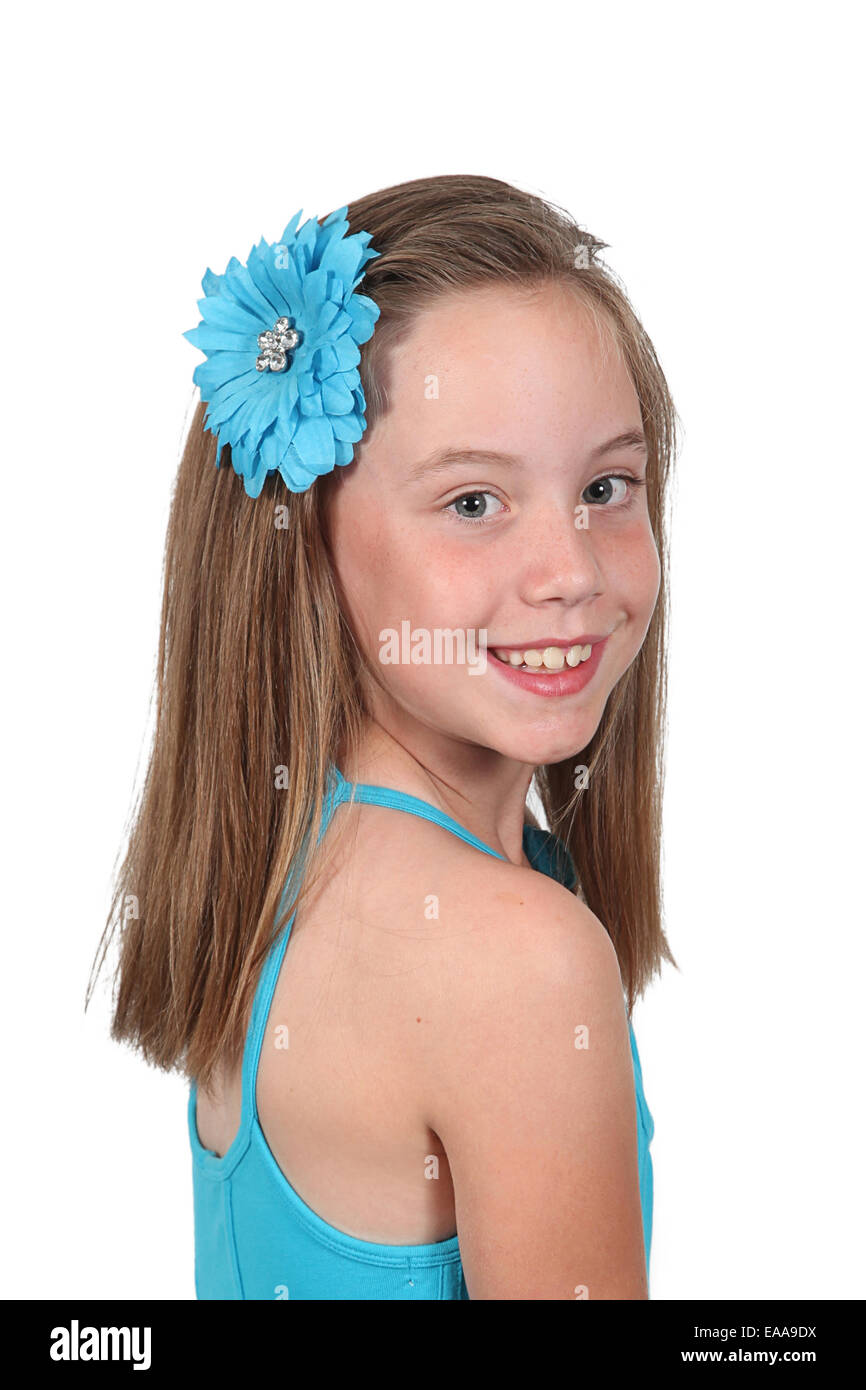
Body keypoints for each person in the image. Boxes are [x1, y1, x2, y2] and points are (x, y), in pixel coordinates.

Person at [89, 173, 678, 1300]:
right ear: (303, 539)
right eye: (472, 502)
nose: (572, 571)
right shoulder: (515, 957)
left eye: (606, 485)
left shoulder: (276, 871)